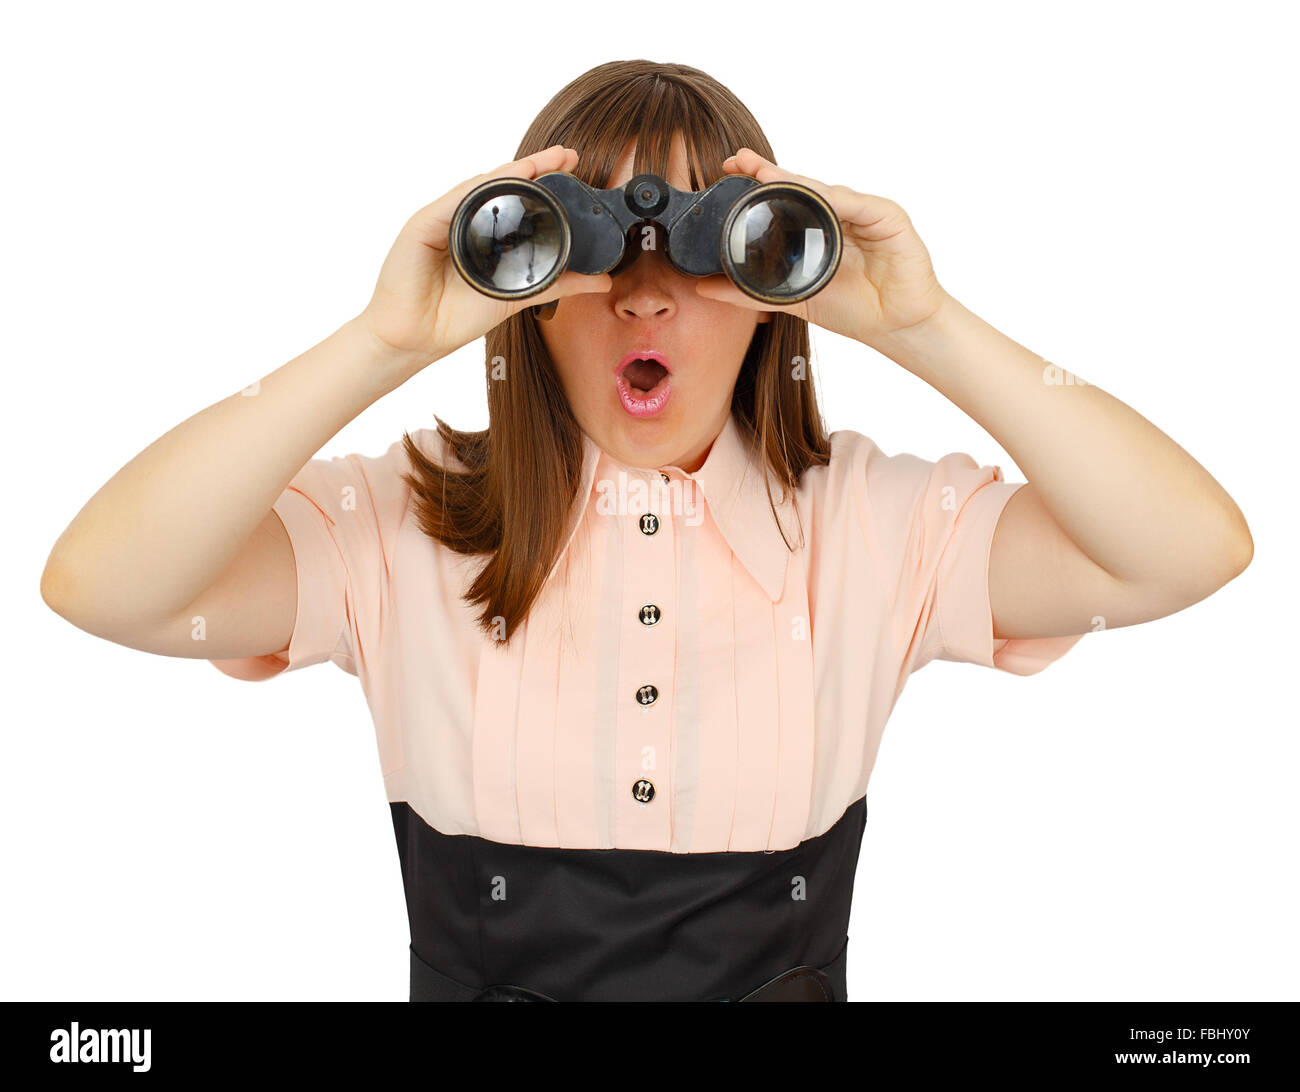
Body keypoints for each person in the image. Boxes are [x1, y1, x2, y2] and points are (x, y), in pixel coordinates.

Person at [39, 59, 1253, 1002]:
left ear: (774, 283)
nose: (645, 287)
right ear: (524, 284)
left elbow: (1185, 551)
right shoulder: (399, 528)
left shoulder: (874, 528)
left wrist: (914, 324)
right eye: (588, 241)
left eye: (714, 246)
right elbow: (106, 586)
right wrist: (385, 341)